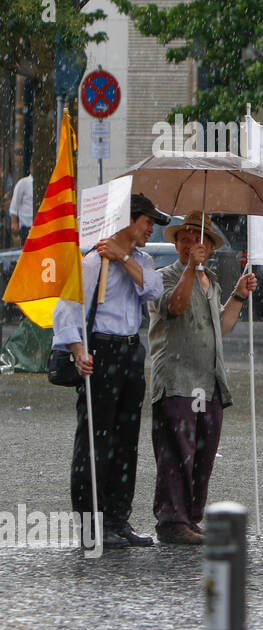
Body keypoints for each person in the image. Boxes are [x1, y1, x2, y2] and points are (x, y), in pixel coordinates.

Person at [51, 193, 169, 547]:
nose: (151, 229)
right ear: (128, 221)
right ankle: (91, 526)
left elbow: (153, 289)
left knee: (126, 441)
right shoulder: (92, 264)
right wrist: (77, 350)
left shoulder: (143, 260)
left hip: (131, 352)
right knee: (95, 441)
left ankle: (118, 519)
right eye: (146, 221)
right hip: (101, 351)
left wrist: (124, 258)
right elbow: (67, 309)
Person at [149, 213, 259, 545]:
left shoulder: (210, 281)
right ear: (175, 243)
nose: (189, 245)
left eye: (197, 239)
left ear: (209, 247)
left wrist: (238, 296)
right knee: (175, 453)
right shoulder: (163, 278)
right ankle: (171, 521)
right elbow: (176, 307)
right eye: (183, 239)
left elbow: (218, 328)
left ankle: (190, 517)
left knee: (202, 454)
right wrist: (187, 270)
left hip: (208, 382)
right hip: (176, 380)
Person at [8, 171, 32, 246]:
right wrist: (14, 222)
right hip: (27, 225)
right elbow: (15, 204)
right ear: (31, 169)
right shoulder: (23, 183)